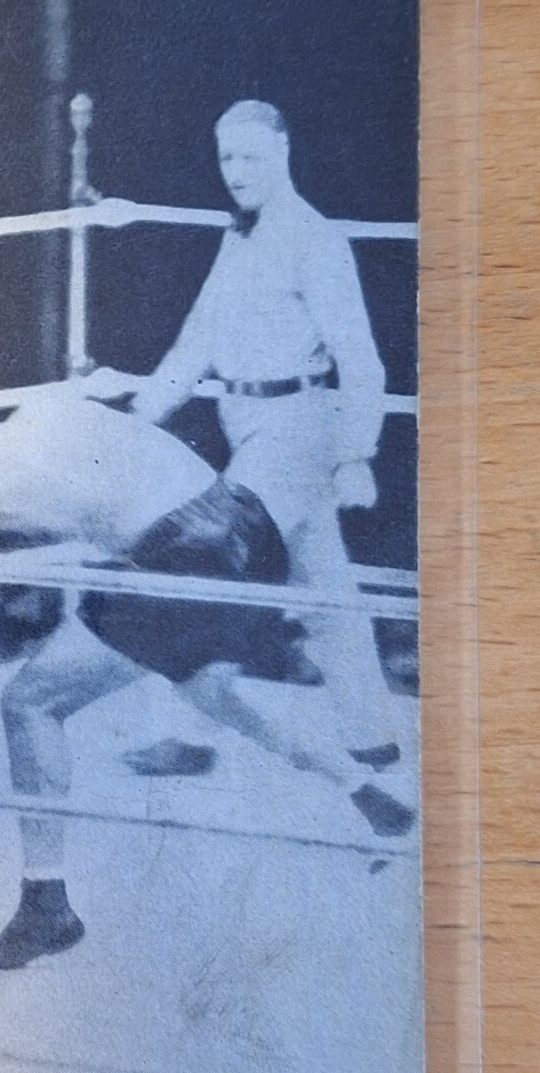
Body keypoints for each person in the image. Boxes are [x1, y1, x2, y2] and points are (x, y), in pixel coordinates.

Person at [0, 384, 413, 971]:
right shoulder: (47, 408)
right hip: (242, 520)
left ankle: (46, 906)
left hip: (184, 554)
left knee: (29, 702)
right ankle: (365, 790)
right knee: (208, 690)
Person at [98, 99, 401, 771]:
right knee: (326, 587)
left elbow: (360, 356)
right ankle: (374, 737)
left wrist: (357, 453)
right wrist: (138, 418)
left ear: (284, 153)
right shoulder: (238, 236)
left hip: (296, 428)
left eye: (251, 157)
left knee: (205, 560)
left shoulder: (315, 240)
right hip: (250, 423)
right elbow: (197, 341)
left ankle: (190, 737)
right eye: (227, 157)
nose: (236, 171)